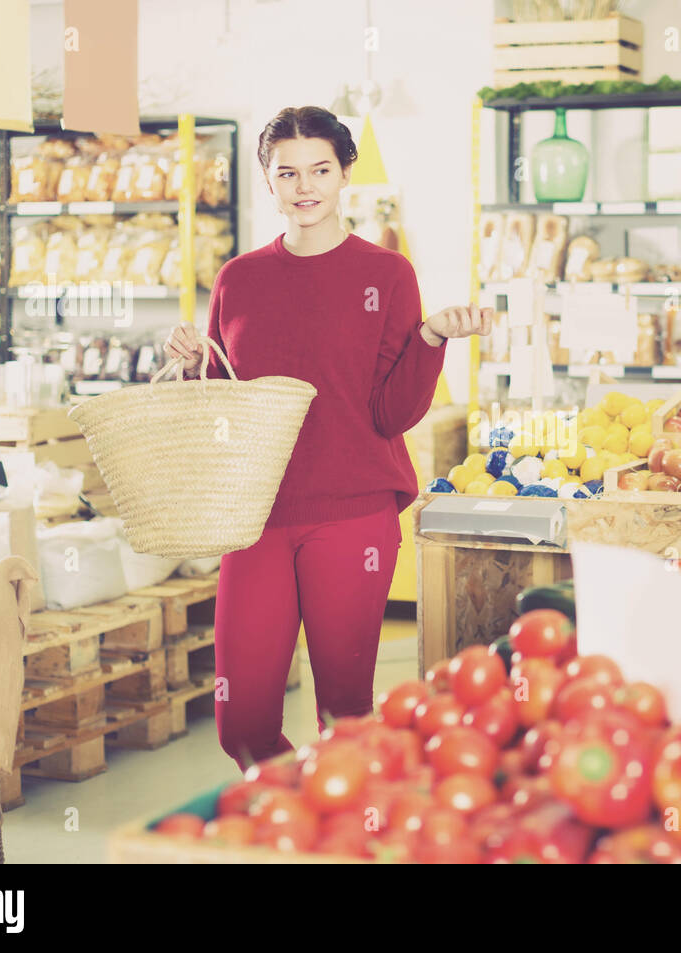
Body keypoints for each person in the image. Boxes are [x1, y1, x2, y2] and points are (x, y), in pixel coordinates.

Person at [163, 106, 490, 771]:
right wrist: (195, 361)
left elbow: (391, 414)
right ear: (268, 179)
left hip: (353, 511)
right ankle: (293, 805)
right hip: (254, 515)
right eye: (287, 172)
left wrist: (430, 338)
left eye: (320, 169)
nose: (304, 185)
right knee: (242, 719)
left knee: (344, 712)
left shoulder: (387, 275)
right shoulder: (238, 279)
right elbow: (228, 398)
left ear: (345, 174)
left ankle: (340, 824)